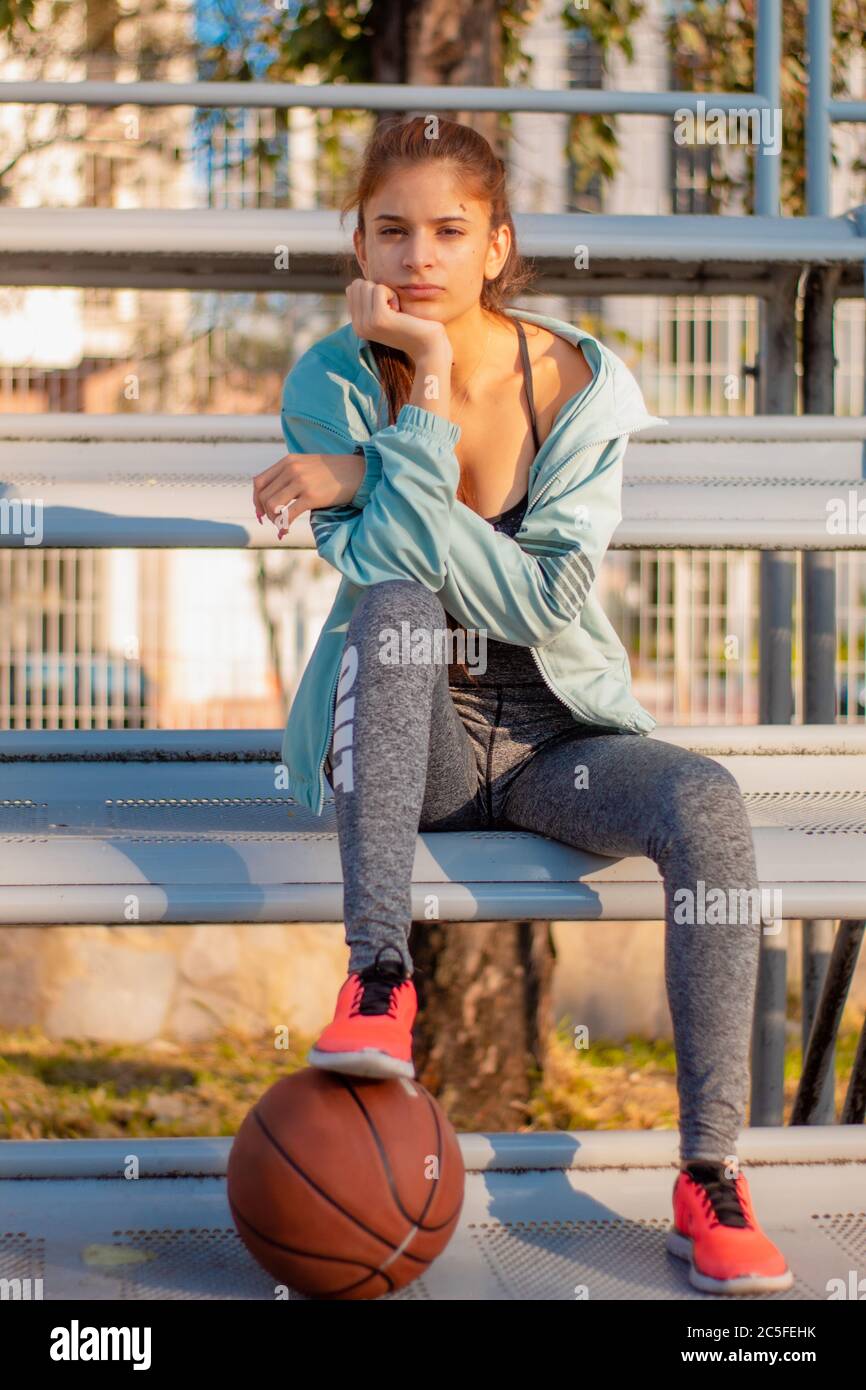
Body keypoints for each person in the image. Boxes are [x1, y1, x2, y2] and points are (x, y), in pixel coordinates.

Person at [252, 115, 792, 1295]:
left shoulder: (581, 380)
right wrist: (422, 399)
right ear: (358, 237)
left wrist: (366, 466)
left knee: (703, 800)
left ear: (497, 244)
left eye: (448, 230)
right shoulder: (329, 376)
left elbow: (548, 598)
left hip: (559, 742)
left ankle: (709, 1175)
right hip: (417, 743)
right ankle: (379, 981)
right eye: (390, 229)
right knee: (396, 606)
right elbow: (385, 562)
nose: (417, 258)